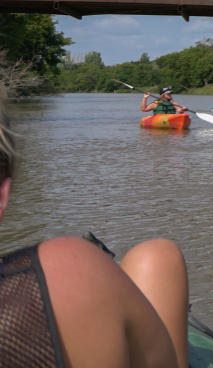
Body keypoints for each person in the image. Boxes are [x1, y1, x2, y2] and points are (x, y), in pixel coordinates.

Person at [0, 99, 191, 367]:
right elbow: (143, 112)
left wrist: (175, 107)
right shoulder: (66, 266)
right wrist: (150, 100)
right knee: (158, 256)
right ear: (3, 193)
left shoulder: (170, 104)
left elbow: (180, 110)